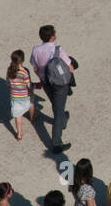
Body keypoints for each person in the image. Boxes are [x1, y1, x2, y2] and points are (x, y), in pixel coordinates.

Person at [31, 25, 77, 153]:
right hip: (59, 85)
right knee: (58, 110)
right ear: (53, 36)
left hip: (46, 82)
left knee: (57, 105)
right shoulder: (58, 50)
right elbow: (70, 68)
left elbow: (35, 68)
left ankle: (63, 119)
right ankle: (56, 143)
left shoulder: (35, 50)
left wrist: (42, 77)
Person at [5, 50, 33, 141]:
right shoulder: (24, 72)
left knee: (18, 116)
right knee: (31, 103)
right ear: (23, 60)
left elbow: (8, 83)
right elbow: (29, 85)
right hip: (24, 97)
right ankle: (32, 117)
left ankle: (19, 134)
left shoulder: (9, 70)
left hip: (14, 97)